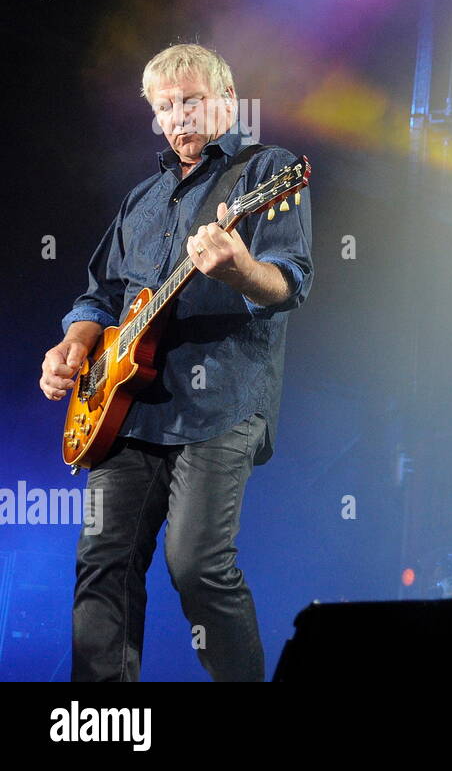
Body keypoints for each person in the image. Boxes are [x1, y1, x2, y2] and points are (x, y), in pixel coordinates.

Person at [38, 43, 313, 681]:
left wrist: (239, 265)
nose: (179, 116)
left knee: (196, 565)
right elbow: (100, 295)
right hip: (126, 411)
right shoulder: (143, 198)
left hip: (220, 403)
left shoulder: (264, 170)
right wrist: (75, 344)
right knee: (102, 561)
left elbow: (291, 282)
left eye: (190, 100)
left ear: (226, 98)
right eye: (165, 107)